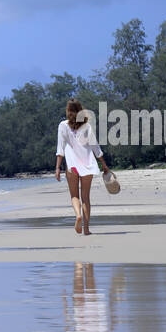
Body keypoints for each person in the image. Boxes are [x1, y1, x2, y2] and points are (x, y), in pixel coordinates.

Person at [54, 99, 110, 236]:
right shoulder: (87, 126)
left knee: (74, 195)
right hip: (88, 164)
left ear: (68, 111)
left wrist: (57, 168)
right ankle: (86, 229)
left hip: (72, 166)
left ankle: (78, 215)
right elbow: (95, 147)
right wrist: (104, 164)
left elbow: (60, 149)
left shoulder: (63, 125)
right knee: (86, 197)